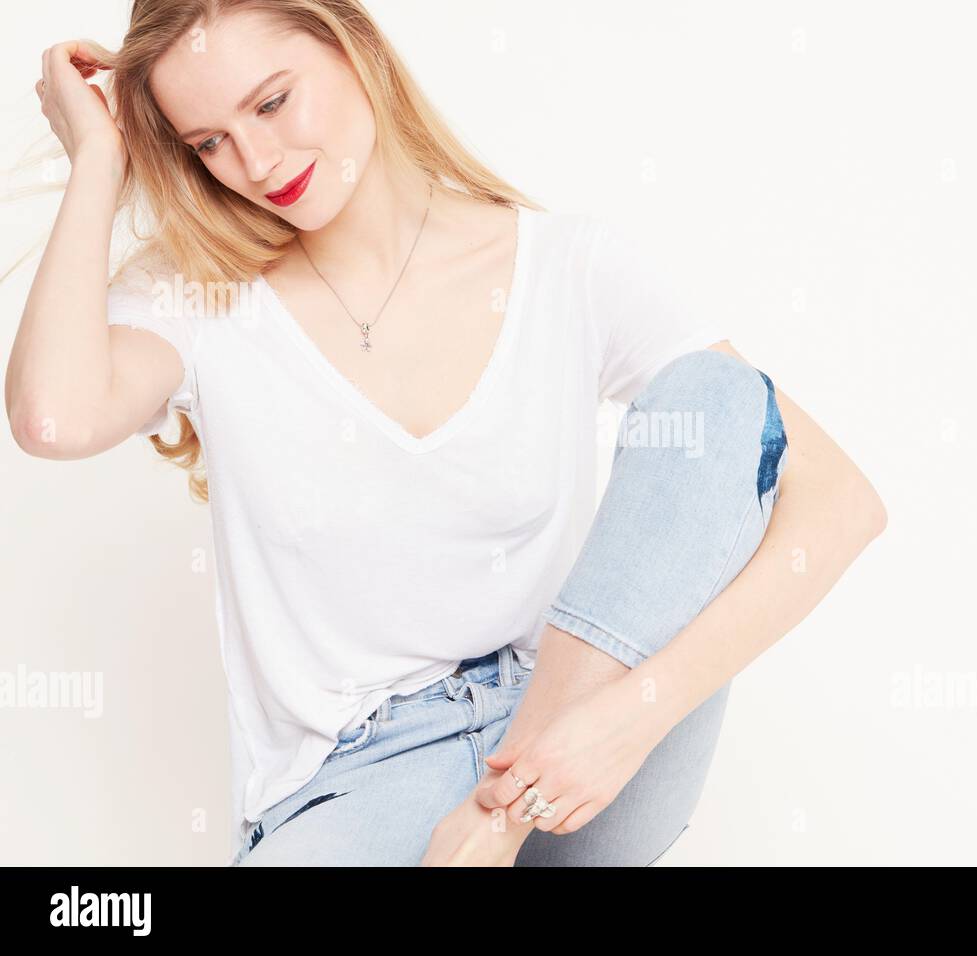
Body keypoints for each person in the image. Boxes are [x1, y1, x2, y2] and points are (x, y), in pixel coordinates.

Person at [9, 0, 887, 866]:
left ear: (354, 47)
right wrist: (99, 160)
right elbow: (54, 419)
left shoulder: (566, 268)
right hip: (357, 783)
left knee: (718, 396)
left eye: (272, 102)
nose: (257, 160)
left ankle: (499, 823)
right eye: (208, 143)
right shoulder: (201, 295)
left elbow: (840, 504)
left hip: (578, 724)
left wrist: (626, 721)